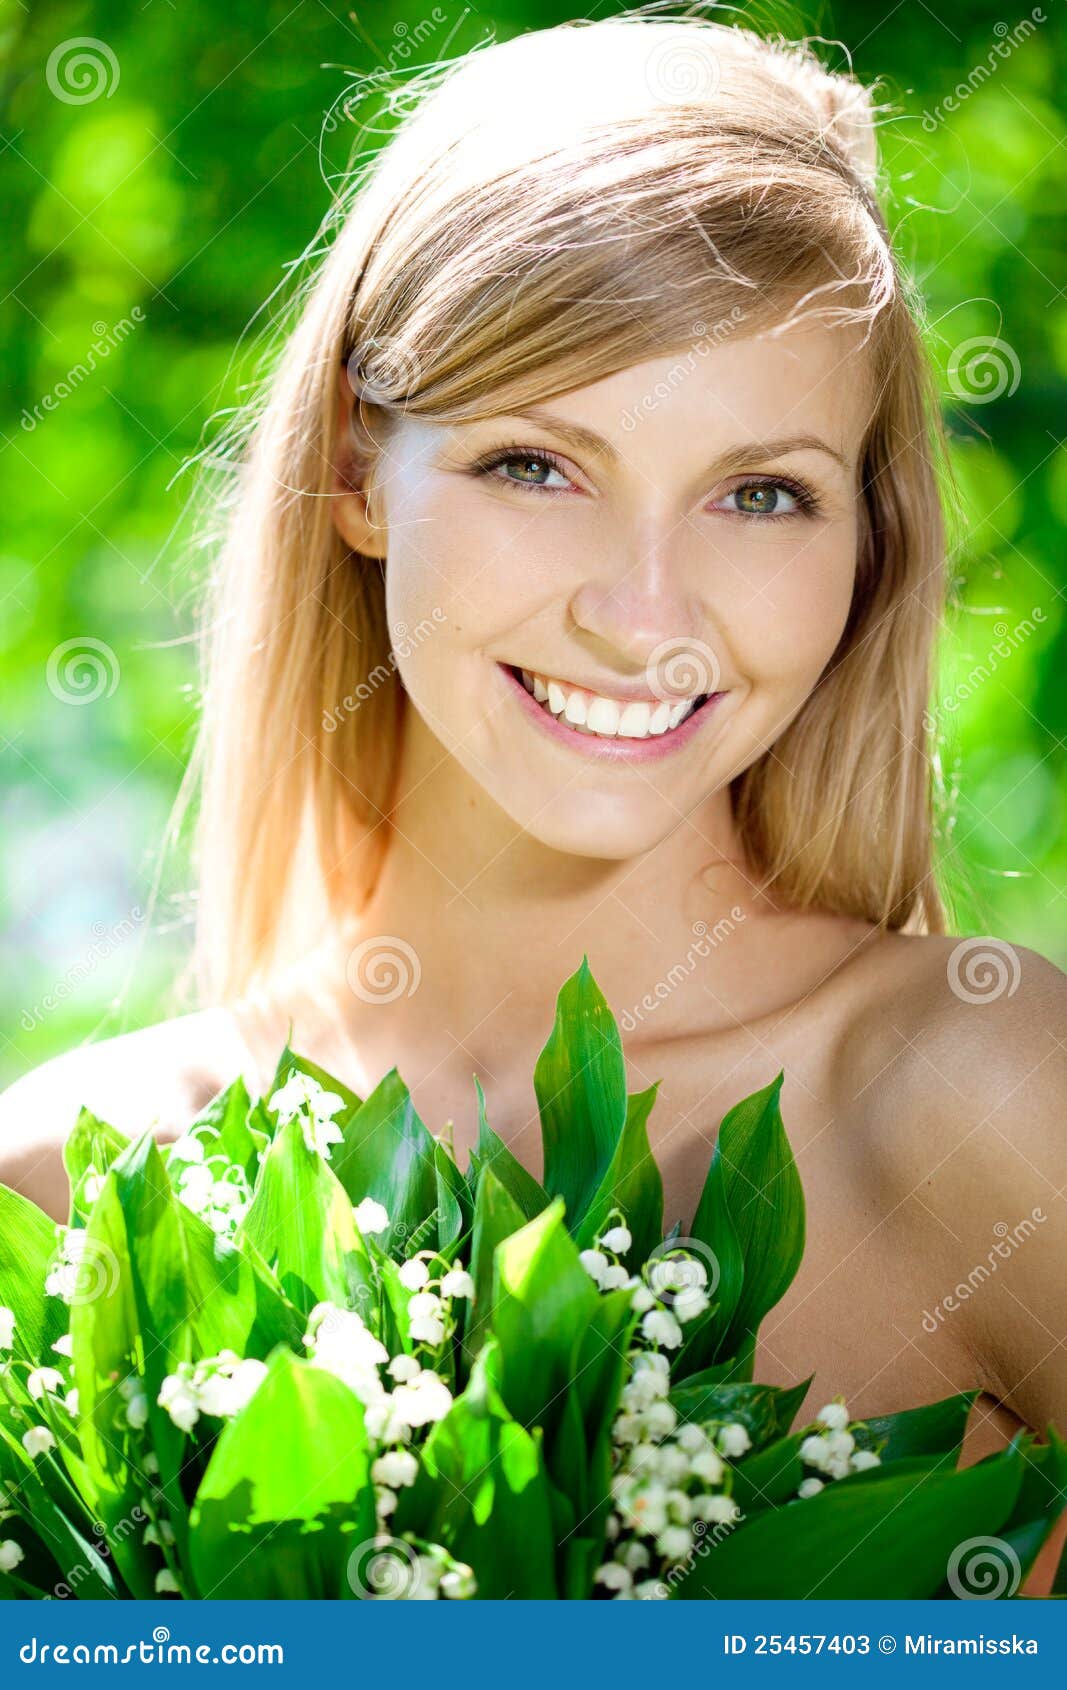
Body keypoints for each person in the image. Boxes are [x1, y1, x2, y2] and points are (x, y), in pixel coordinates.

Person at [2, 13, 1064, 1494]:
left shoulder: (991, 1103)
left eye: (761, 493)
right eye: (537, 465)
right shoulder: (65, 1191)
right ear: (357, 469)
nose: (643, 617)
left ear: (867, 540)